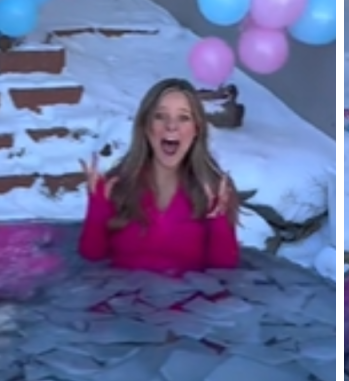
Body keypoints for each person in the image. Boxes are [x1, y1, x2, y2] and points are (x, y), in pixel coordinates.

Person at [78, 78, 240, 274]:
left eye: (183, 117)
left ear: (197, 130)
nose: (171, 126)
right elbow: (90, 263)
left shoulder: (214, 192)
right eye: (160, 116)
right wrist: (97, 209)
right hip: (120, 302)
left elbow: (225, 277)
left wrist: (219, 222)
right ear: (146, 126)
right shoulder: (116, 186)